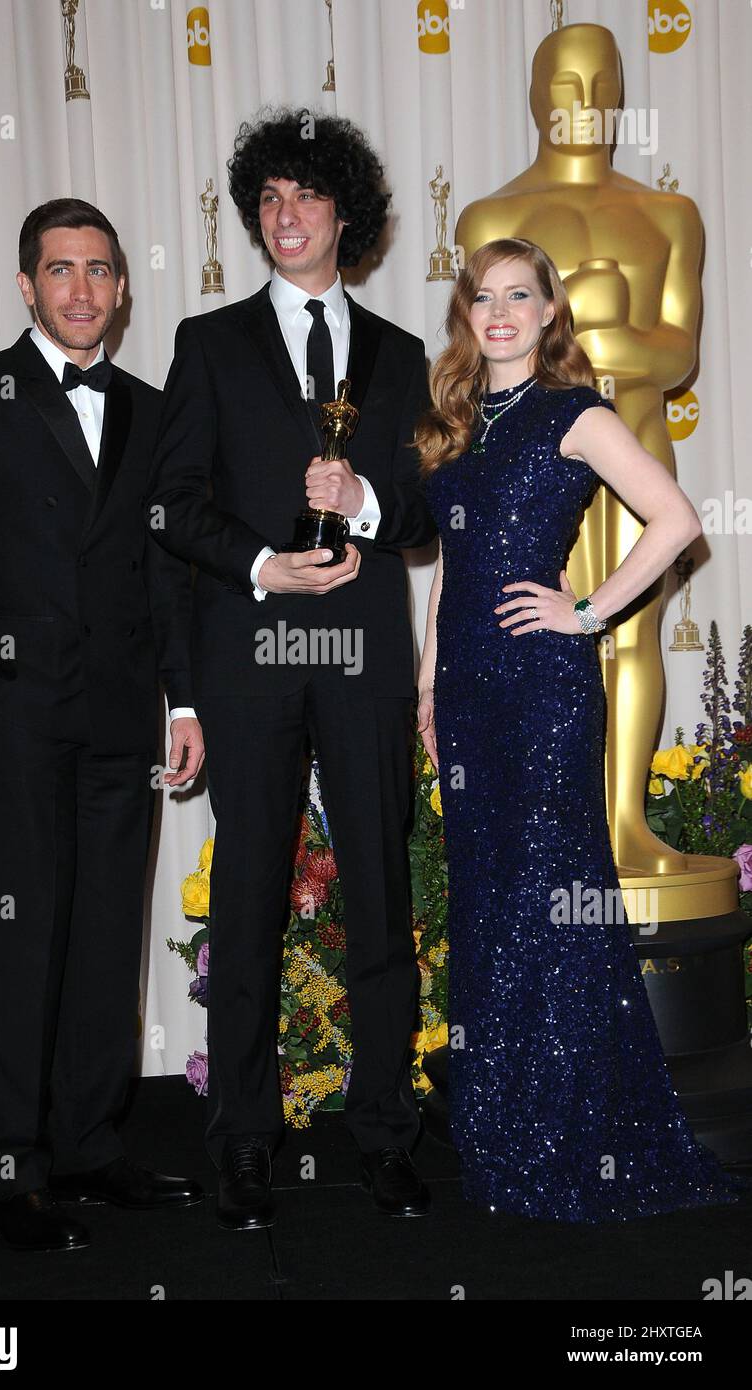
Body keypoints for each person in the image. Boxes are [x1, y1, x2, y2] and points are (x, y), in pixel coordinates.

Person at [416, 236, 745, 1221]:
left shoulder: (576, 414)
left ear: (550, 311)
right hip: (469, 690)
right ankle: (502, 1120)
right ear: (466, 314)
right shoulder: (454, 426)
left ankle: (561, 1128)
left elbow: (675, 520)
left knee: (548, 898)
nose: (504, 312)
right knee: (487, 902)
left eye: (522, 295)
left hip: (544, 687)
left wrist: (590, 612)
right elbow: (447, 574)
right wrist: (429, 687)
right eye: (486, 296)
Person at [149, 109, 437, 1230]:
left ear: (345, 216)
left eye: (307, 197)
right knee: (251, 896)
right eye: (268, 199)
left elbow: (418, 513)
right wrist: (263, 562)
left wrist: (363, 503)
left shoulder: (403, 357)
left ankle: (383, 1134)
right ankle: (244, 1143)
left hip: (362, 651)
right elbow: (171, 506)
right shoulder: (207, 343)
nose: (286, 216)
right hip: (256, 651)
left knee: (377, 889)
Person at [0, 198, 205, 1252]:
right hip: (25, 708)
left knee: (108, 932)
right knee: (29, 932)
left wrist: (183, 697)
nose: (81, 288)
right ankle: (6, 1171)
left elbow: (164, 571)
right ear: (27, 285)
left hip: (124, 713)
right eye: (60, 269)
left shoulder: (154, 410)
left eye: (100, 270)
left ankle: (88, 1145)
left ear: (122, 289)